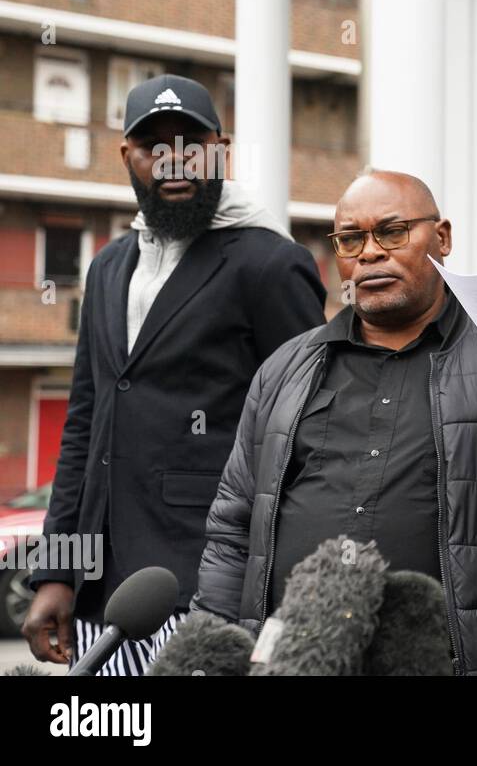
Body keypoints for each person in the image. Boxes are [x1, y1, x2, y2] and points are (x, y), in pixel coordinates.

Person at [191, 170, 477, 675]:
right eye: (350, 238)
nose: (369, 253)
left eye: (392, 231)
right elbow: (233, 527)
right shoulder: (284, 371)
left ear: (442, 237)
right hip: (289, 660)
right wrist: (215, 652)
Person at [23, 74, 326, 675]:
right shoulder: (108, 267)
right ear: (126, 158)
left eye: (192, 141)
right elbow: (85, 429)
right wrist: (57, 572)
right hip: (107, 600)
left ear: (223, 148)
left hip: (212, 593)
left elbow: (311, 435)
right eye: (152, 145)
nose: (174, 160)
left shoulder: (269, 263)